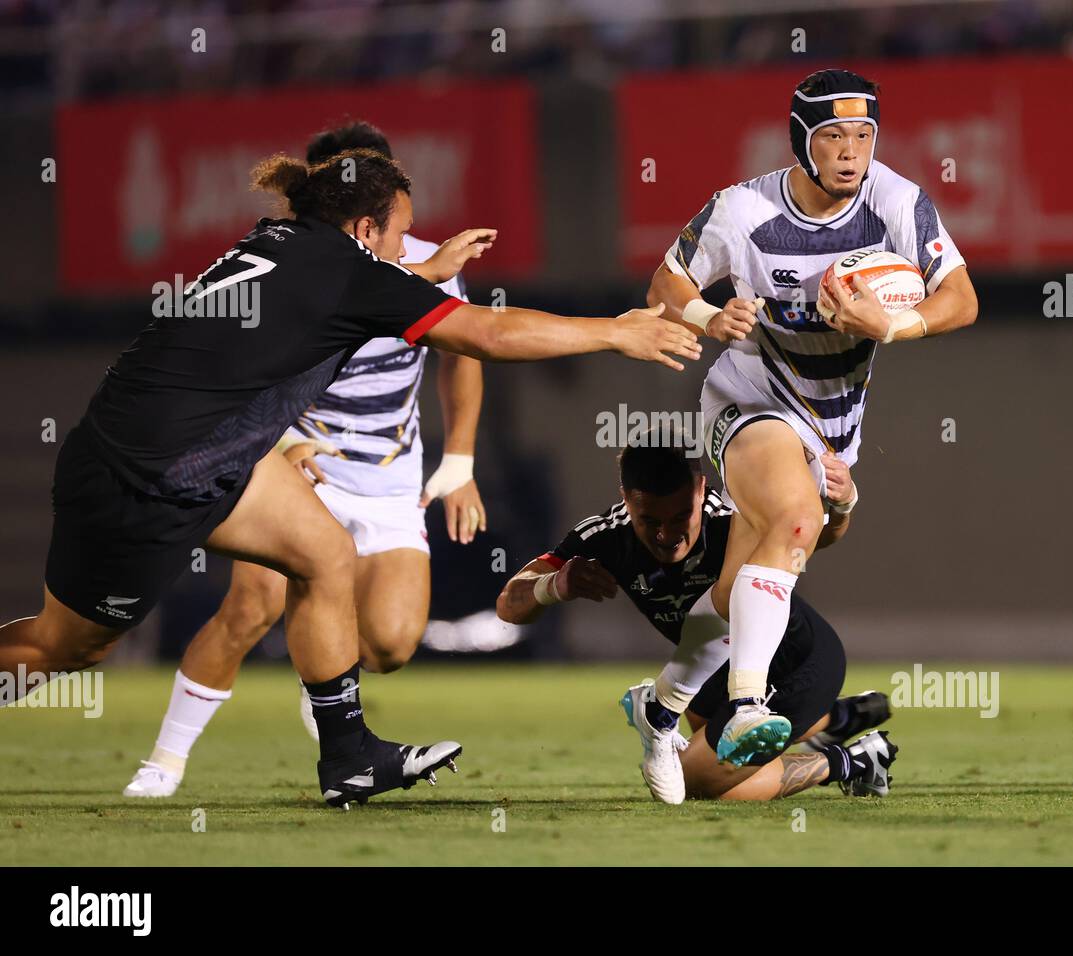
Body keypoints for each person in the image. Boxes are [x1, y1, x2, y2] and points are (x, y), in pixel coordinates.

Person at [1, 146, 701, 809]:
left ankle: (348, 757)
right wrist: (616, 332)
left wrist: (418, 278)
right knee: (71, 647)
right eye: (399, 233)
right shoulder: (346, 273)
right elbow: (486, 334)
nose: (407, 246)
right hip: (142, 477)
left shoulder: (282, 241)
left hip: (197, 453)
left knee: (323, 552)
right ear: (365, 228)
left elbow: (347, 294)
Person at [122, 122, 489, 798]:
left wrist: (459, 459)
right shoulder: (280, 265)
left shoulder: (429, 259)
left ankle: (324, 686)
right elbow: (237, 367)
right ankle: (164, 763)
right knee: (250, 607)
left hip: (386, 479)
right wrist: (285, 441)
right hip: (298, 469)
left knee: (391, 644)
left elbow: (466, 352)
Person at [646, 69, 977, 766]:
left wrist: (897, 324)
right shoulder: (742, 211)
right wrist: (709, 314)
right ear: (801, 140)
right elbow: (664, 285)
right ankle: (743, 706)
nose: (852, 151)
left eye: (864, 135)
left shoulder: (895, 202)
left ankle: (657, 706)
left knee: (752, 578)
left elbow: (962, 298)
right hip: (749, 397)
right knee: (796, 520)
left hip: (833, 426)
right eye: (833, 136)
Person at [496, 439, 895, 803]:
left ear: (702, 489)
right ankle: (838, 719)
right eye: (649, 521)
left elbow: (814, 536)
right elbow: (508, 605)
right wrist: (553, 586)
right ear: (626, 500)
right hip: (712, 676)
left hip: (799, 664)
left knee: (696, 785)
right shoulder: (605, 537)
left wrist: (842, 506)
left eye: (681, 516)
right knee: (703, 728)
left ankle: (854, 761)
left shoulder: (731, 522)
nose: (668, 535)